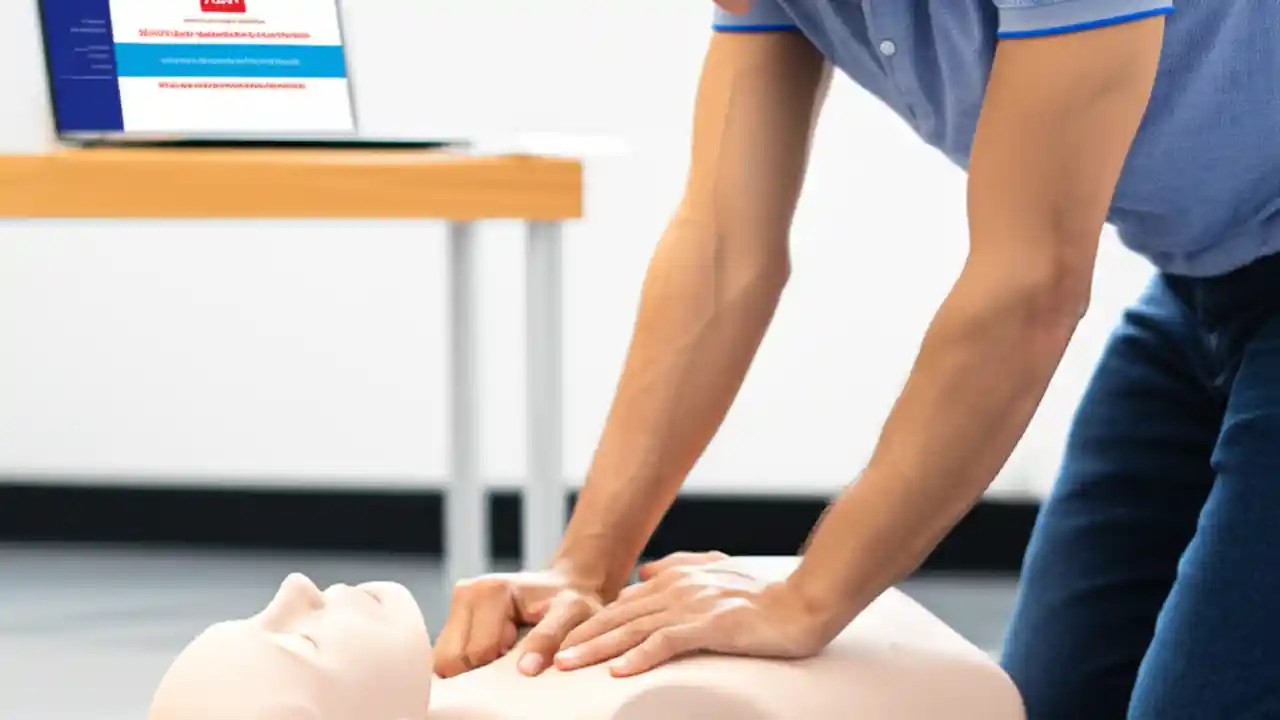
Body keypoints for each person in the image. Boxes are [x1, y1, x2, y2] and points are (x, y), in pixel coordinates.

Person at [436, 1, 1280, 717]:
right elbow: (725, 247)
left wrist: (806, 599)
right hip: (1198, 288)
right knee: (1043, 699)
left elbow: (1029, 289)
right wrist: (584, 565)